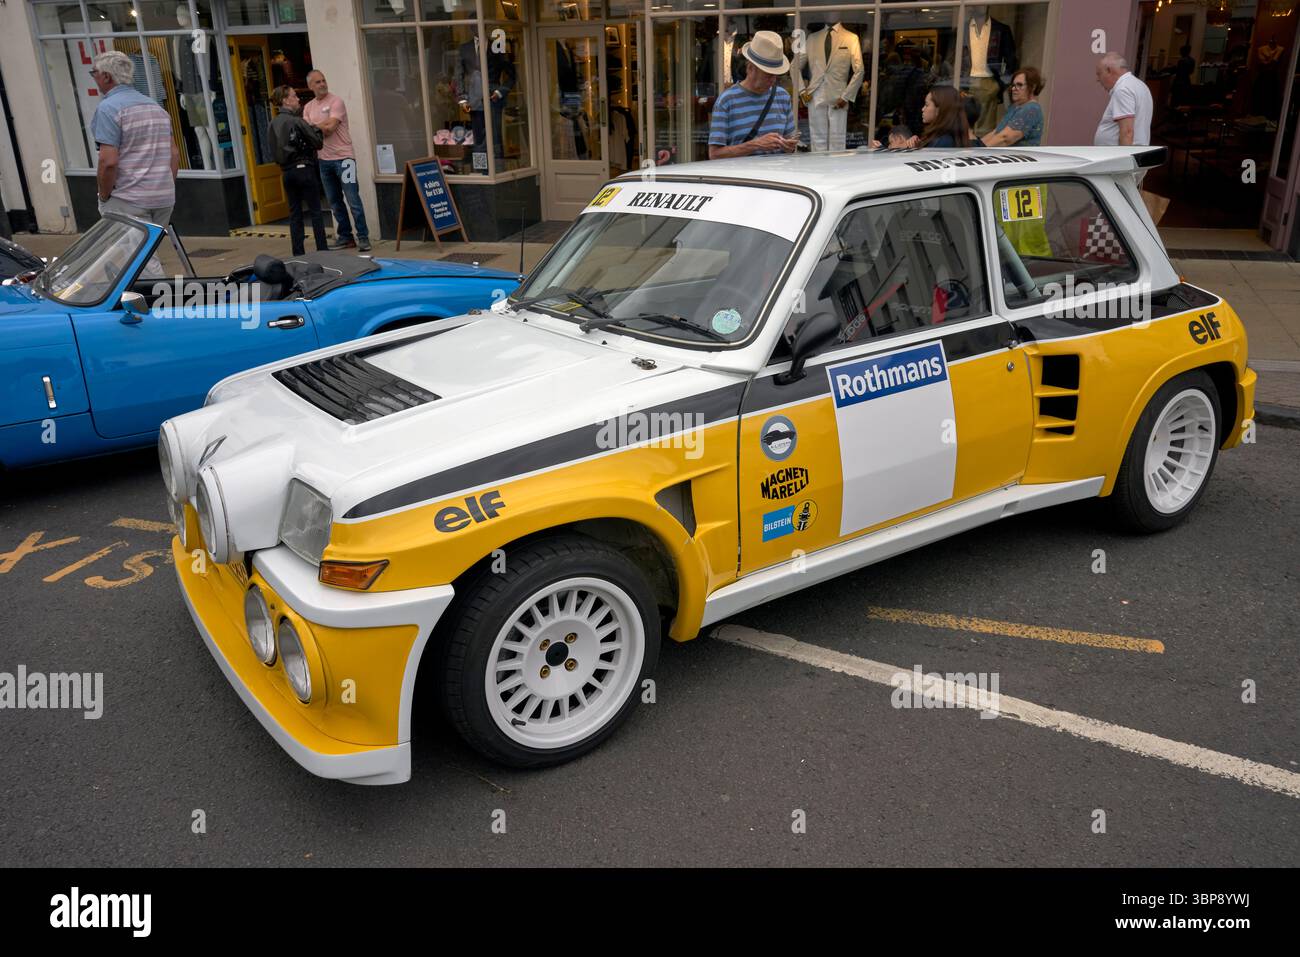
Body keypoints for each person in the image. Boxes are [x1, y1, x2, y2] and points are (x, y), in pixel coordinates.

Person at [90, 50, 178, 227]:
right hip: (163, 197)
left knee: (135, 253)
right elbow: (174, 154)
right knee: (144, 251)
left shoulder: (109, 109)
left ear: (106, 77)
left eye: (95, 73)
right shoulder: (155, 107)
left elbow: (108, 162)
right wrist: (164, 187)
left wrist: (104, 195)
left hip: (129, 198)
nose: (94, 78)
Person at [303, 70, 370, 252]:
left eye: (324, 80)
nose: (322, 84)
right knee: (334, 201)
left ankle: (363, 237)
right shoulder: (308, 107)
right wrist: (319, 126)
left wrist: (313, 126)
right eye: (317, 82)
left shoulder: (336, 101)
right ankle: (346, 237)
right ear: (310, 86)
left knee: (353, 199)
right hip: (324, 161)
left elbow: (330, 128)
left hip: (344, 158)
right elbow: (308, 134)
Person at [708, 31, 799, 159]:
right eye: (768, 74)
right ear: (750, 69)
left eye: (776, 75)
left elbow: (790, 145)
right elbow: (715, 154)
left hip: (777, 176)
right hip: (744, 178)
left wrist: (789, 146)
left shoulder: (782, 97)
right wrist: (755, 145)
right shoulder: (727, 101)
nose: (773, 80)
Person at [267, 85, 328, 257]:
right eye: (294, 96)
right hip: (304, 169)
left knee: (295, 214)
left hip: (287, 173)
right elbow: (317, 142)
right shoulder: (297, 121)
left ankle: (298, 254)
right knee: (316, 211)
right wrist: (316, 129)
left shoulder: (272, 123)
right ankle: (323, 251)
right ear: (286, 100)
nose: (298, 99)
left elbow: (272, 150)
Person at [1094, 52, 1152, 147]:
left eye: (1099, 74)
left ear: (1109, 70)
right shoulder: (1139, 85)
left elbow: (1127, 132)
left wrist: (1124, 160)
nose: (1097, 79)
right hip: (1135, 153)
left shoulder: (1123, 89)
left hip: (1117, 157)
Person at [981, 67, 1045, 147]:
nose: (1014, 89)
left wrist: (978, 151)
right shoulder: (1015, 107)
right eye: (1013, 85)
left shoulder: (1031, 108)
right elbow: (996, 132)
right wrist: (976, 147)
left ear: (1033, 87)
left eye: (1019, 85)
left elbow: (1005, 138)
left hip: (1021, 158)